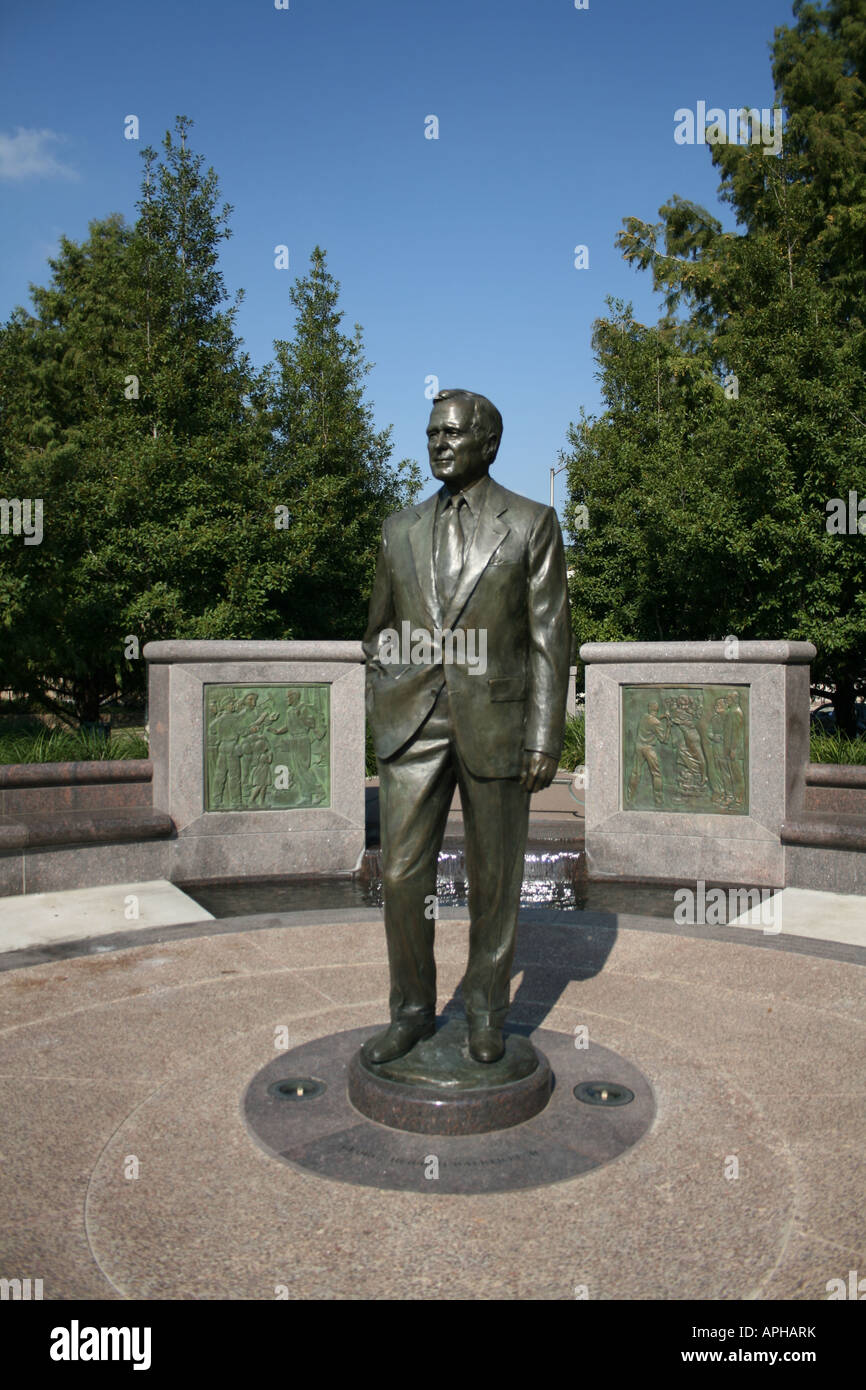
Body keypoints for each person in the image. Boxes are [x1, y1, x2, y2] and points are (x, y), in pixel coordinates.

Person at [362, 388, 570, 1064]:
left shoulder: (533, 523)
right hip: (413, 726)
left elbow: (549, 641)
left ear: (488, 443)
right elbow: (377, 634)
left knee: (495, 878)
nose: (438, 443)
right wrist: (393, 689)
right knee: (400, 874)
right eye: (431, 434)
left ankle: (486, 1010)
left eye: (451, 433)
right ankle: (413, 1010)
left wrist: (545, 735)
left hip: (499, 725)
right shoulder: (399, 529)